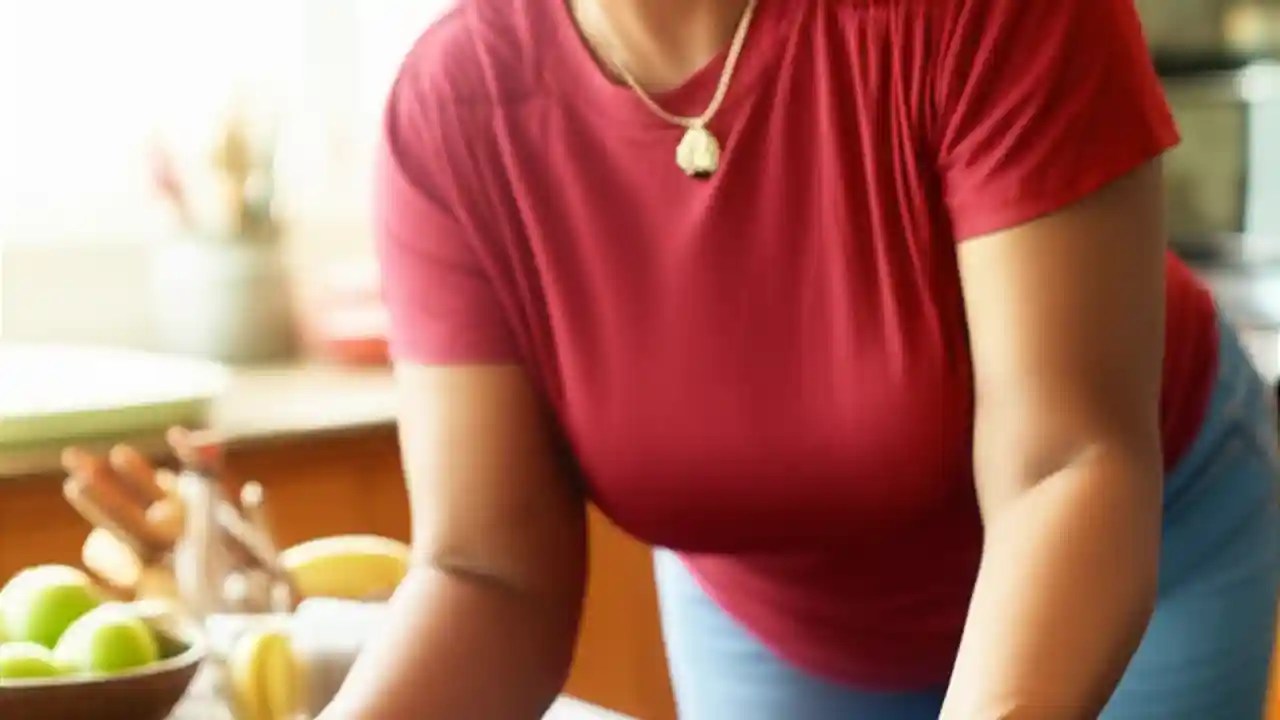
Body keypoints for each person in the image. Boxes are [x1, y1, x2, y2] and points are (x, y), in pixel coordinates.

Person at [310, 0, 1280, 717]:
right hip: (775, 608)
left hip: (1140, 536)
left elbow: (1064, 468)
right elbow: (488, 573)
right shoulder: (450, 111)